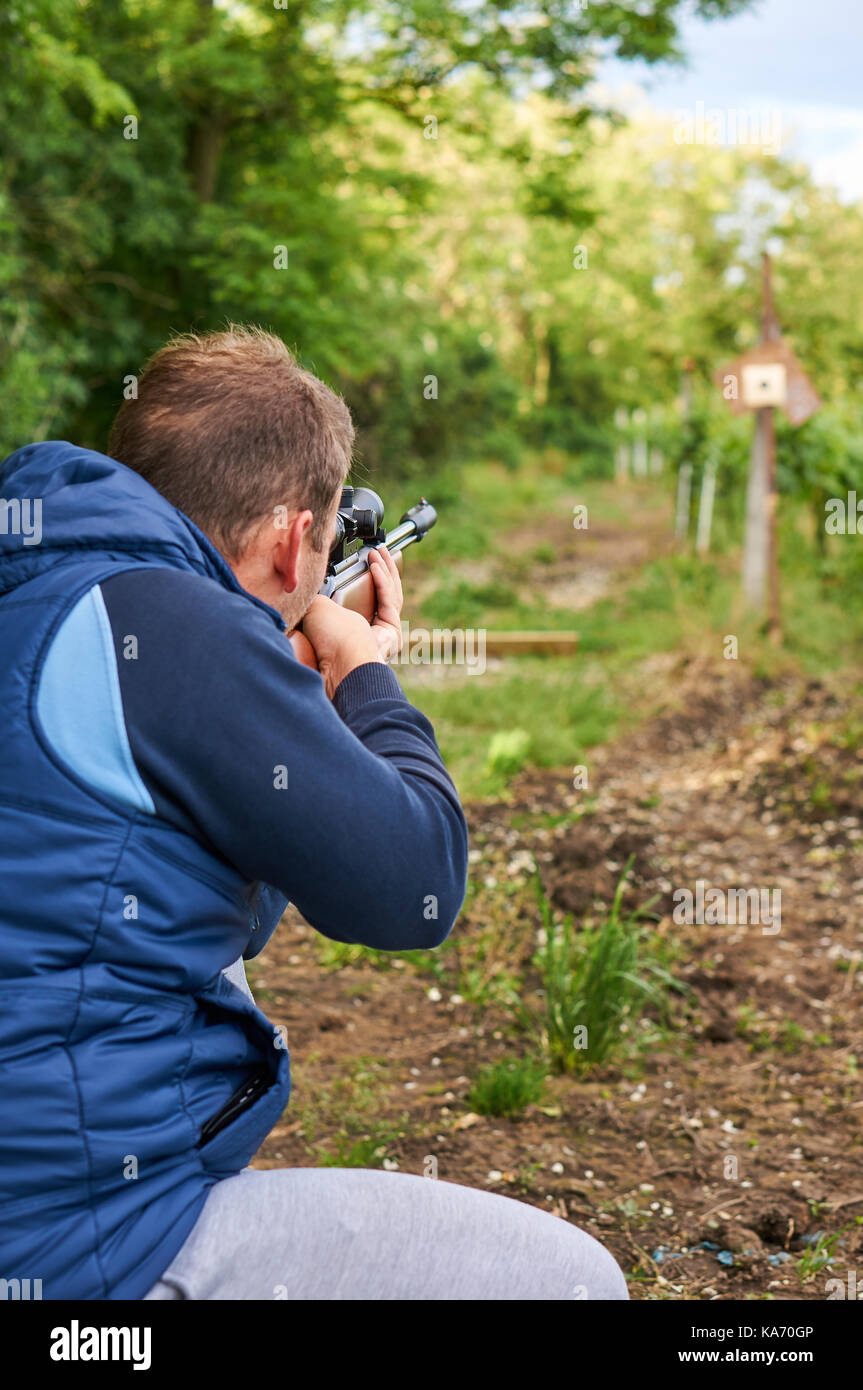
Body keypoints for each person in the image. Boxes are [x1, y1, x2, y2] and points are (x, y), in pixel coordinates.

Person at [0, 326, 628, 1301]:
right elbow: (414, 891)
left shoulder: (45, 589)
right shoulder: (174, 628)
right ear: (298, 539)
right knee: (571, 1283)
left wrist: (285, 720)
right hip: (74, 1246)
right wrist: (365, 681)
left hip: (40, 1191)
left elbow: (211, 915)